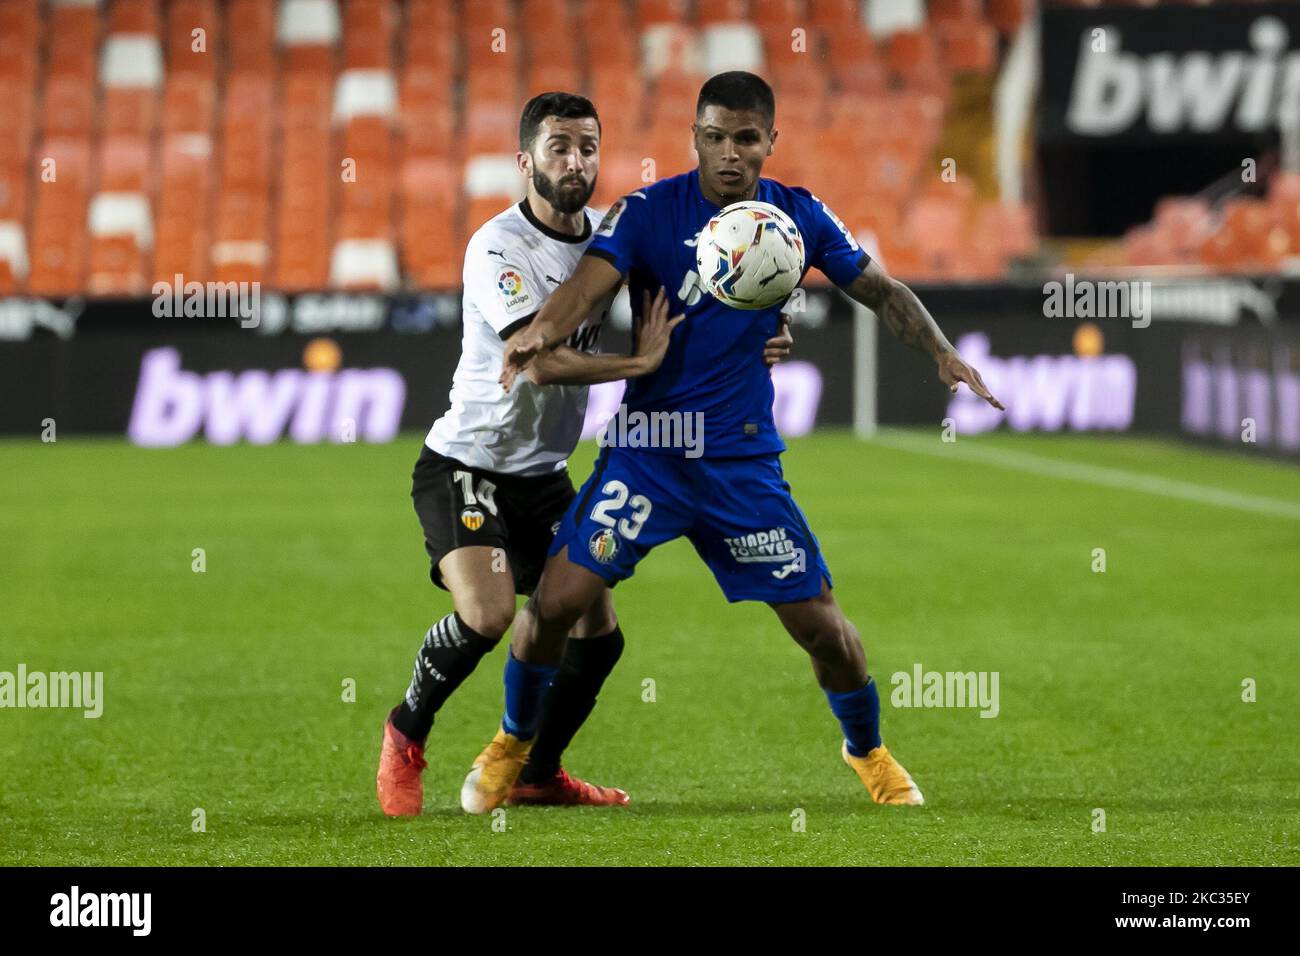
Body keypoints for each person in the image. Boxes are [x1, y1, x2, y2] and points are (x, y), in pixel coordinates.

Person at [459, 72, 1003, 815]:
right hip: (649, 455)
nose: (728, 154)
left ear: (769, 143)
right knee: (553, 605)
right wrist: (539, 336)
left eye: (745, 139)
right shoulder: (646, 214)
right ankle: (512, 745)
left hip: (739, 459)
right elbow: (584, 291)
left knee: (825, 631)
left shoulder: (799, 216)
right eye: (713, 136)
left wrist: (940, 351)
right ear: (694, 137)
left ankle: (867, 749)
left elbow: (880, 288)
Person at [376, 90, 794, 815]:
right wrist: (635, 368)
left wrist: (763, 333)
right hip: (466, 463)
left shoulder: (610, 239)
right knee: (490, 614)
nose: (576, 161)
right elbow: (536, 358)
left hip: (541, 474)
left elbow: (680, 319)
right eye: (559, 147)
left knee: (598, 635)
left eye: (588, 147)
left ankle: (540, 773)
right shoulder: (497, 247)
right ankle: (405, 735)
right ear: (525, 160)